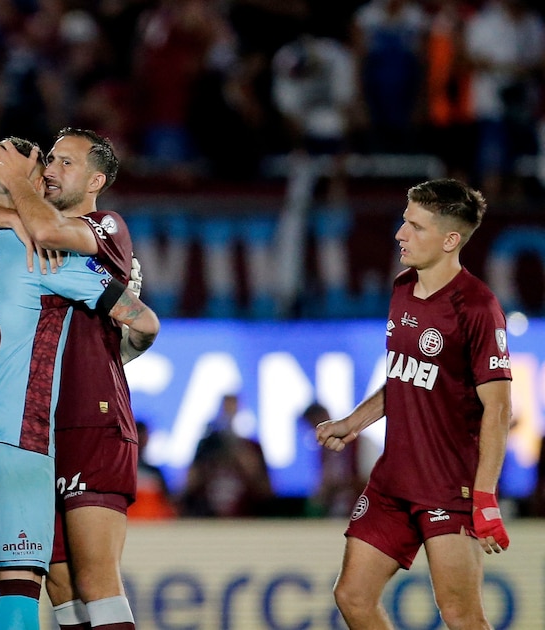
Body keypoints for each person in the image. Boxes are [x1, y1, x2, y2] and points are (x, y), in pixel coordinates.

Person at [0, 137, 159, 630]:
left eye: (67, 162)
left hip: (87, 418)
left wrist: (119, 353)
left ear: (96, 181)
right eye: (51, 161)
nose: (52, 172)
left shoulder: (99, 226)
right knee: (52, 587)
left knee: (93, 582)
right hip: (30, 427)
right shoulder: (36, 241)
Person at [316, 178, 513, 629]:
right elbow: (405, 378)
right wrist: (354, 422)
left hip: (447, 485)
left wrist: (484, 497)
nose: (400, 234)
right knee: (352, 596)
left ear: (449, 240)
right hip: (393, 480)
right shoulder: (403, 287)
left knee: (461, 615)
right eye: (404, 222)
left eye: (415, 226)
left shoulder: (478, 307)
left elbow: (499, 411)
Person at [180, 393, 273, 518]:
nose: (228, 414)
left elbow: (266, 490)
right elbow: (189, 485)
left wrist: (240, 452)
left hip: (245, 519)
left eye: (233, 408)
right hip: (208, 519)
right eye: (225, 409)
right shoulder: (207, 446)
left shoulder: (252, 447)